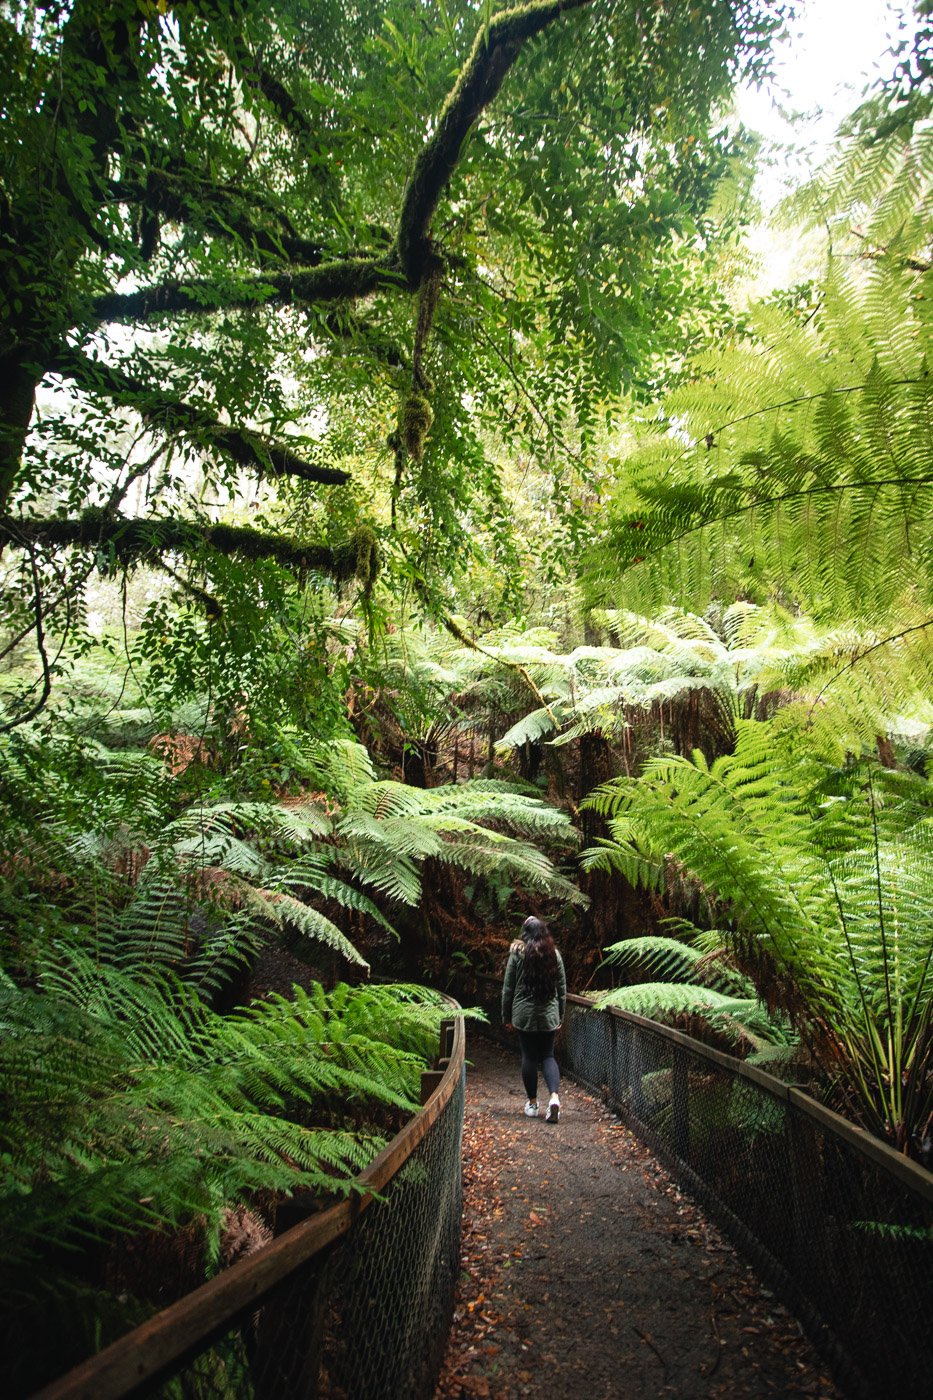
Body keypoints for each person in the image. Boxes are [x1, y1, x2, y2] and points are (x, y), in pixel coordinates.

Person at [501, 915, 566, 1123]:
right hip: (548, 1014)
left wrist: (506, 1016)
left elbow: (508, 988)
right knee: (548, 1055)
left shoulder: (517, 956)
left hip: (524, 1014)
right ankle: (554, 1098)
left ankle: (532, 1103)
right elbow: (561, 988)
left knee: (529, 1056)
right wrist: (560, 1015)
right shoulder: (554, 955)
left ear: (525, 934)